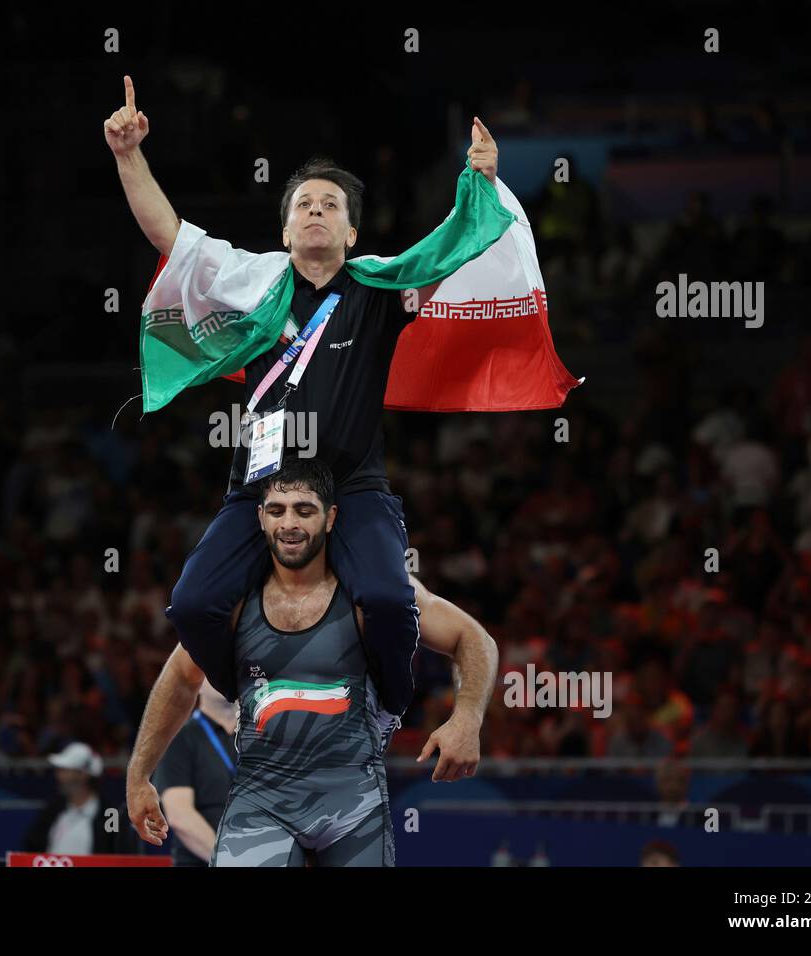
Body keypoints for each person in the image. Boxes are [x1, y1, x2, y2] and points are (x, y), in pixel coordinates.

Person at [105, 75, 507, 722]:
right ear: (285, 229)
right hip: (262, 484)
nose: (316, 210)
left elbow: (445, 254)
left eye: (330, 205)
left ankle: (388, 706)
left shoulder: (378, 288)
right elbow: (169, 236)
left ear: (352, 235)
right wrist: (129, 156)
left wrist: (479, 183)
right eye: (304, 205)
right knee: (192, 606)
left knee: (384, 599)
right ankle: (247, 689)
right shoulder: (253, 279)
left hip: (352, 485)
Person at [126, 458, 499, 866]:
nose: (289, 524)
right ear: (260, 518)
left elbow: (474, 638)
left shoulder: (372, 598)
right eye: (277, 511)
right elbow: (181, 678)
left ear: (331, 517)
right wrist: (139, 773)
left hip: (353, 803)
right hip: (261, 799)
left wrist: (467, 719)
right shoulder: (235, 604)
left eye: (305, 510)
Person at [152, 683, 238, 867]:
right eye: (214, 669)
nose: (223, 676)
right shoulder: (179, 738)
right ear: (197, 682)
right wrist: (228, 861)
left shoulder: (263, 736)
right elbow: (180, 815)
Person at [23, 742, 138, 855]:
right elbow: (31, 847)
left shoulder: (110, 813)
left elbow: (119, 853)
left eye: (65, 770)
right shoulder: (52, 810)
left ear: (83, 775)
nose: (58, 776)